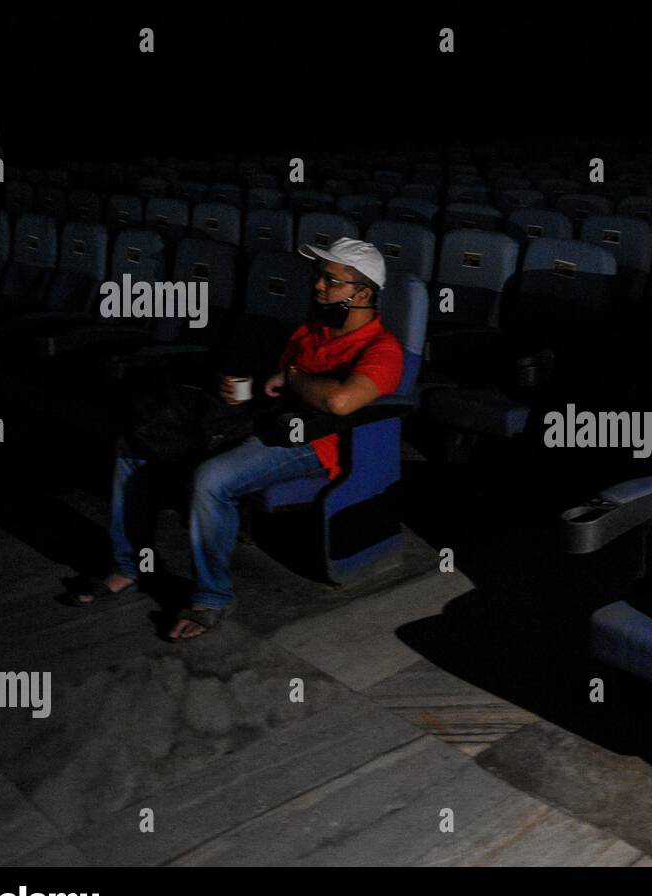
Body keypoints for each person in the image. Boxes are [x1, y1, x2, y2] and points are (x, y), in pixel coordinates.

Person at [68, 239, 404, 640]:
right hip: (263, 423)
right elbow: (275, 385)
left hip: (312, 444)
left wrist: (293, 378)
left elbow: (340, 400)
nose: (318, 287)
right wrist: (247, 391)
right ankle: (127, 566)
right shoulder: (311, 331)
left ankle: (213, 597)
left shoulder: (382, 349)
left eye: (330, 281)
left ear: (362, 293)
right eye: (319, 278)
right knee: (135, 446)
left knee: (212, 479)